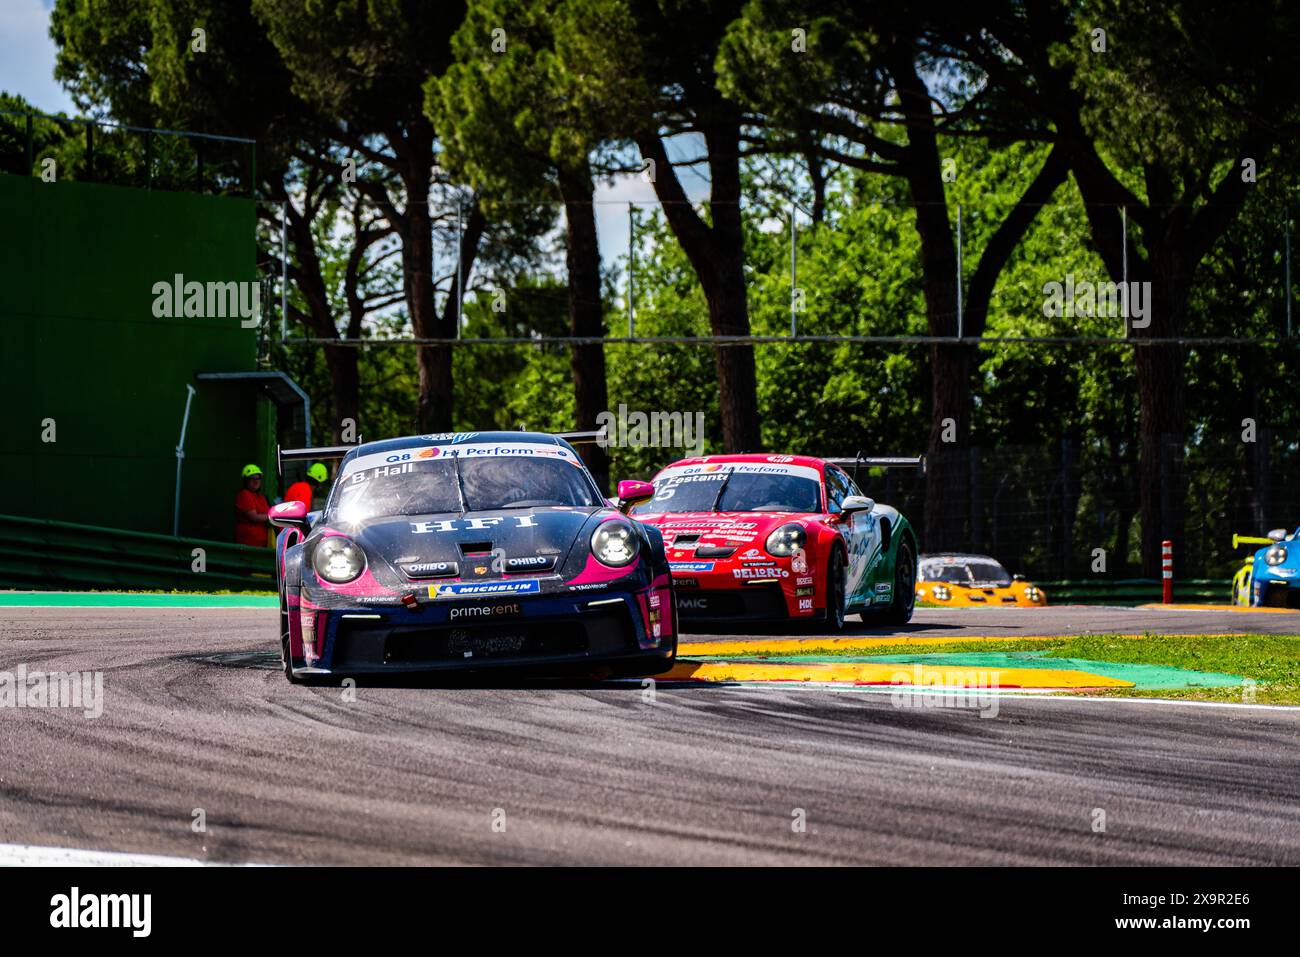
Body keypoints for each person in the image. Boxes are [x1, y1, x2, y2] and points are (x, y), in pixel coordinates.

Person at [234, 464, 271, 547]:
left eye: (258, 478)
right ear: (245, 481)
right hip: (248, 541)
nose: (256, 481)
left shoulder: (261, 497)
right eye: (252, 479)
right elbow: (254, 517)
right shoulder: (244, 494)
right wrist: (272, 516)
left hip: (262, 540)